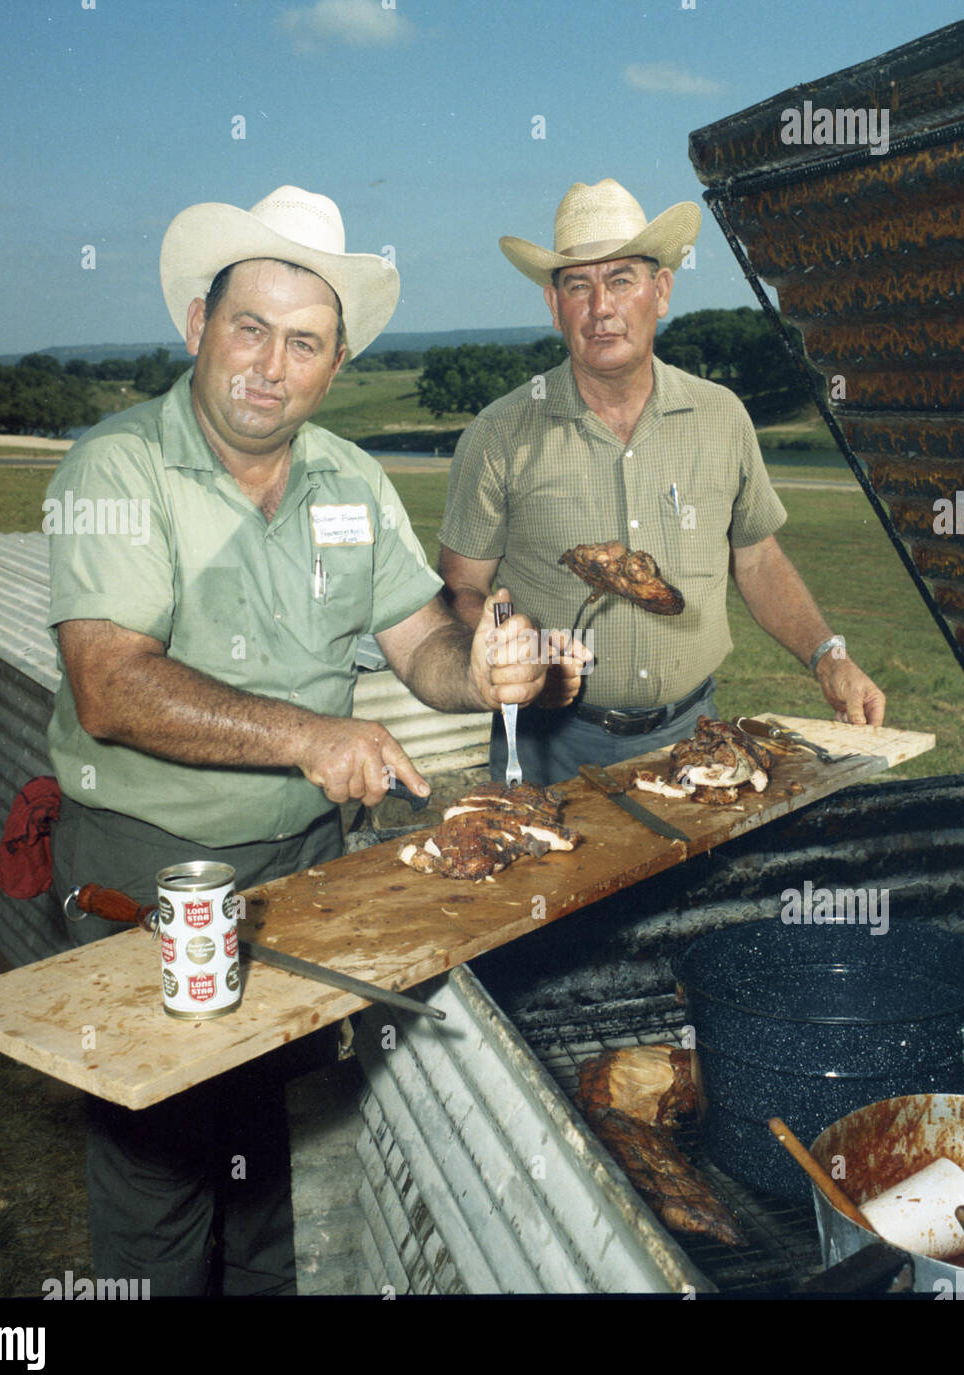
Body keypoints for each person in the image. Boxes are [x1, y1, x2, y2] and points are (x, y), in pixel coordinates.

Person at [44, 185, 575, 1296]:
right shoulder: (118, 469)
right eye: (249, 328)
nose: (268, 366)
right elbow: (110, 685)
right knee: (160, 1166)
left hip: (306, 872)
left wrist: (477, 667)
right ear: (197, 325)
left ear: (334, 365)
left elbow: (421, 638)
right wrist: (307, 735)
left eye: (303, 343)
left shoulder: (350, 480)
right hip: (151, 875)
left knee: (284, 1155)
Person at [438, 178, 885, 786]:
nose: (601, 307)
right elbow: (462, 587)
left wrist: (829, 657)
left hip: (696, 738)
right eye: (579, 284)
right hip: (552, 749)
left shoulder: (721, 415)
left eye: (622, 279)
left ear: (662, 290)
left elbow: (756, 560)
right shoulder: (499, 433)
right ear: (553, 304)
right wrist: (513, 653)